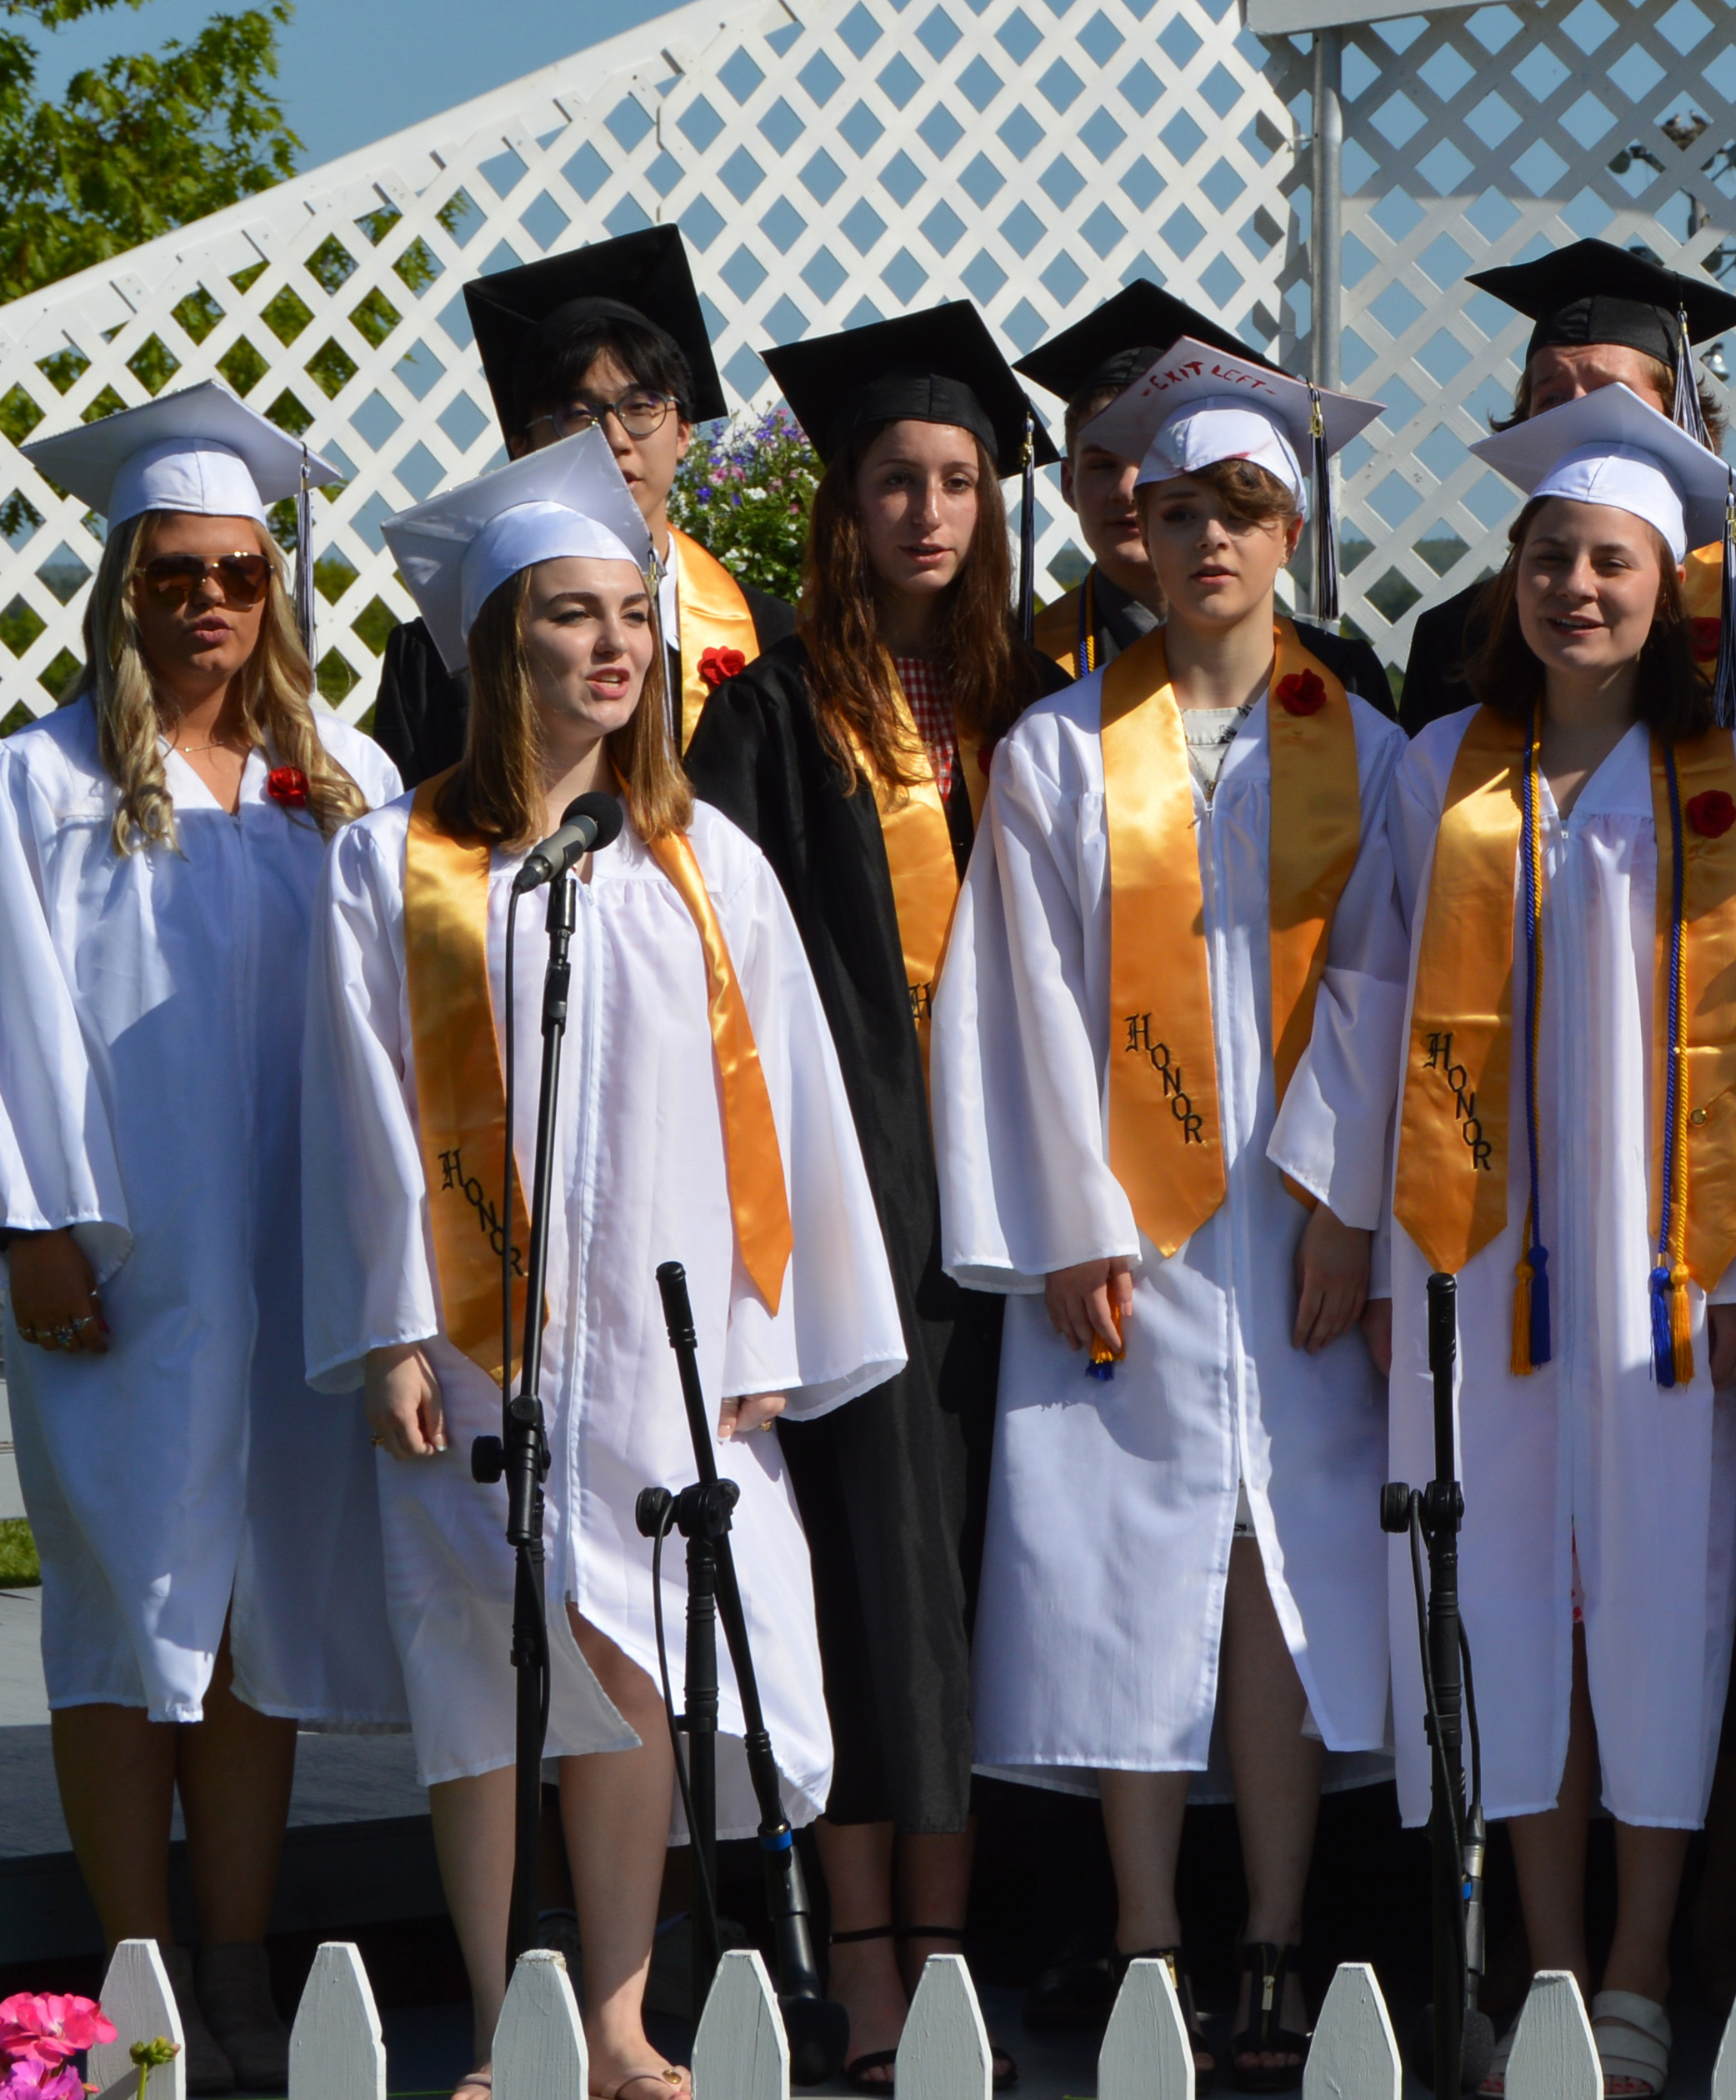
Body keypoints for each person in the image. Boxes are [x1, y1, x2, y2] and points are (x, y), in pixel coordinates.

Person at [308, 434, 905, 2100]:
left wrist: (770, 1327)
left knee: (639, 1655)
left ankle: (622, 2015)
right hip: (477, 1344)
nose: (612, 648)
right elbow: (358, 1108)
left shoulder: (705, 870)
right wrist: (395, 1333)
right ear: (503, 643)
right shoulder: (395, 866)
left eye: (633, 615)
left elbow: (786, 1117)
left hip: (664, 1335)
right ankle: (511, 2013)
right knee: (483, 1666)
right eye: (571, 617)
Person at [934, 336, 1403, 2092]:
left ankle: (1272, 1940)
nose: (1213, 538)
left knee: (1275, 1579)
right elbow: (1021, 995)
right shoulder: (1060, 751)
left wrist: (1354, 1213)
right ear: (1135, 531)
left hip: (1291, 1239)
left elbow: (1380, 983)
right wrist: (1065, 1220)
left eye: (1248, 509)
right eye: (1184, 508)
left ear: (1295, 532)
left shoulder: (1360, 744)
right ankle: (1147, 1937)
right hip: (1122, 1238)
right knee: (1127, 1567)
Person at [0, 382, 405, 2096]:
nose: (210, 601)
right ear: (124, 583)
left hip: (292, 1269)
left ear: (278, 591)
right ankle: (138, 1986)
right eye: (175, 571)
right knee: (129, 1616)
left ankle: (239, 1964)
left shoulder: (335, 785)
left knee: (258, 1617)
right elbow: (0, 1016)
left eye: (242, 573)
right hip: (122, 1275)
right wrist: (35, 1224)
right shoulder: (31, 785)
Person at [1361, 381, 1736, 2100]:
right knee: (1504, 1598)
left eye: (1612, 563)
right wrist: (1361, 1239)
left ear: (1669, 589)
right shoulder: (1439, 776)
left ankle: (1640, 1961)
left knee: (1659, 1602)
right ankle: (1544, 1967)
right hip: (1470, 1270)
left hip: (1668, 1279)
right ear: (1513, 579)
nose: (1578, 590)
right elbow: (1369, 1009)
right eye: (1552, 557)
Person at [688, 301, 1048, 2091]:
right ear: (844, 508)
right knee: (867, 1579)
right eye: (899, 479)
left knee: (982, 1571)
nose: (931, 511)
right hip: (852, 1208)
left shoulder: (1029, 709)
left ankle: (958, 1941)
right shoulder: (764, 723)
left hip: (1010, 1202)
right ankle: (877, 1960)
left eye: (962, 480)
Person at [1398, 239, 1736, 765]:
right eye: (1550, 397)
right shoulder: (1459, 636)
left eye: (1610, 393)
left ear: (1681, 418)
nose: (1577, 415)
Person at [368, 225, 793, 782]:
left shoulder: (777, 639)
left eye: (643, 405)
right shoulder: (441, 656)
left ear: (685, 431)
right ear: (523, 445)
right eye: (579, 414)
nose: (615, 436)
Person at [1012, 282, 1393, 703]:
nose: (1127, 489)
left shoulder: (1335, 677)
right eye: (1103, 465)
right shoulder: (1019, 666)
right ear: (1068, 484)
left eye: (1153, 461)